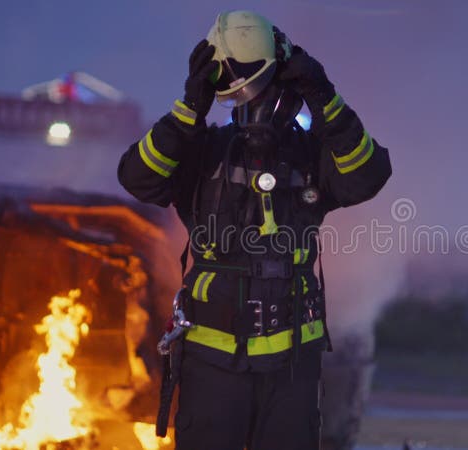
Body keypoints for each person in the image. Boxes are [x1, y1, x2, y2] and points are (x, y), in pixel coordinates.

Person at [117, 10, 391, 450]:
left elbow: (368, 175)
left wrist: (326, 98)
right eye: (242, 92)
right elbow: (138, 177)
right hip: (211, 367)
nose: (258, 103)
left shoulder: (312, 158)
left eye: (267, 89)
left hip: (293, 372)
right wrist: (189, 110)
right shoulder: (202, 152)